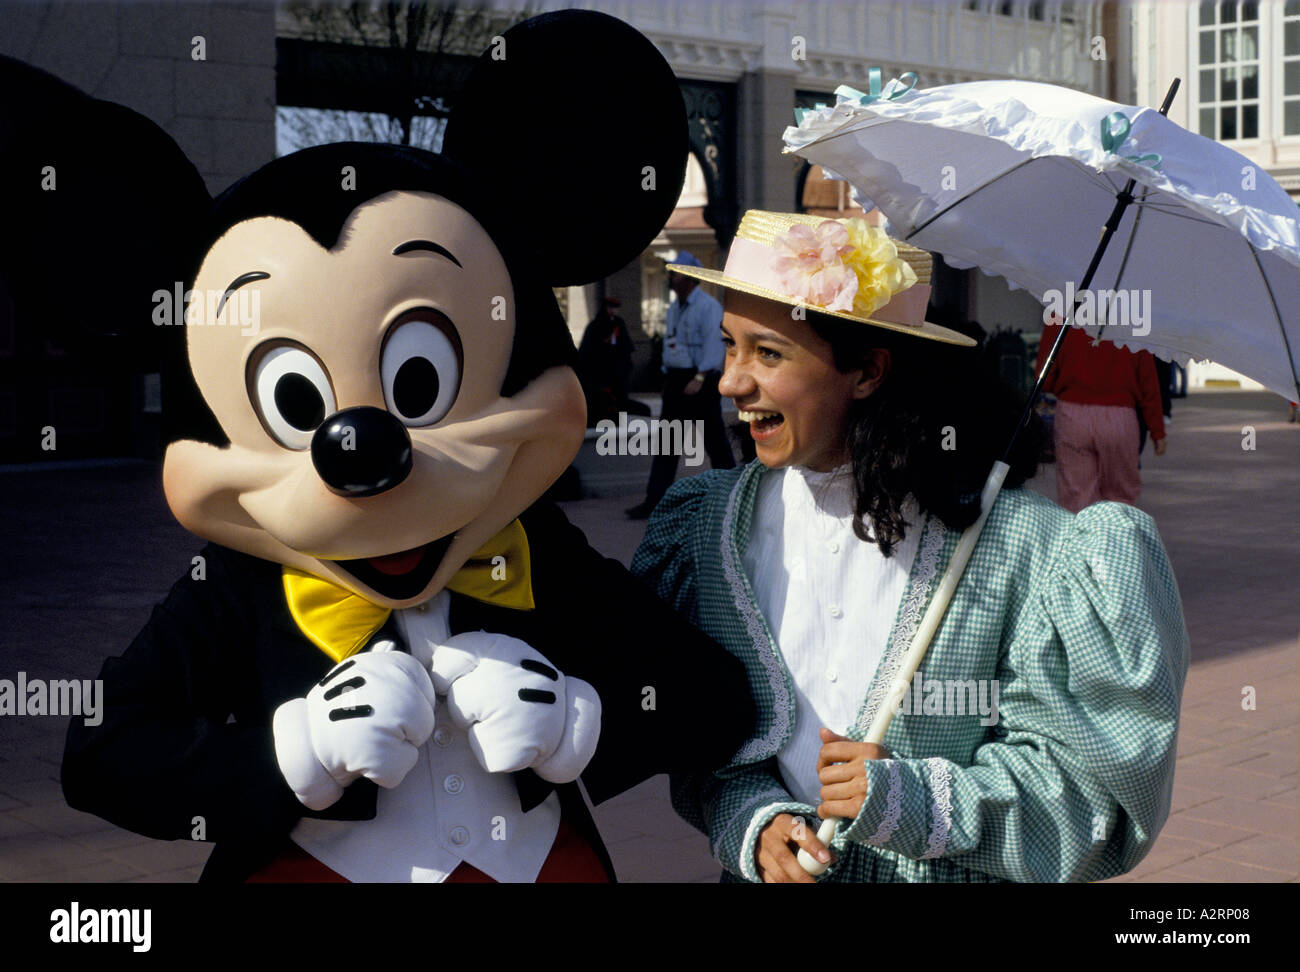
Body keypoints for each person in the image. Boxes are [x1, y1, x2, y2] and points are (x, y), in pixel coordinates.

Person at [631, 210, 1189, 883]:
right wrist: (751, 819)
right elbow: (703, 739)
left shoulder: (1023, 550)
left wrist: (912, 802)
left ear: (867, 373)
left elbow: (1090, 800)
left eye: (768, 353)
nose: (731, 382)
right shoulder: (705, 527)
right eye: (730, 345)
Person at [626, 251, 735, 518]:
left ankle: (734, 496)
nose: (670, 278)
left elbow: (715, 343)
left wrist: (700, 377)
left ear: (688, 278)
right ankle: (654, 501)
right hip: (676, 382)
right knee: (667, 444)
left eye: (674, 274)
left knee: (715, 443)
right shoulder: (675, 308)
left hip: (699, 380)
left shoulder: (708, 307)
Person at [1036, 317, 1168, 514]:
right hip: (1120, 416)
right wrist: (1157, 430)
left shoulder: (1061, 311)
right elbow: (1147, 378)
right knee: (1121, 498)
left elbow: (1044, 376)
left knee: (1076, 498)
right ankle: (1118, 541)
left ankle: (1081, 542)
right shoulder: (1132, 315)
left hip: (1072, 414)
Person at [577, 296, 640, 425]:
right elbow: (589, 349)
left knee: (618, 398)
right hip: (601, 369)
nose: (613, 311)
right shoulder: (595, 325)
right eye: (610, 308)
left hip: (617, 369)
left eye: (615, 308)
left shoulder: (619, 323)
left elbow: (625, 345)